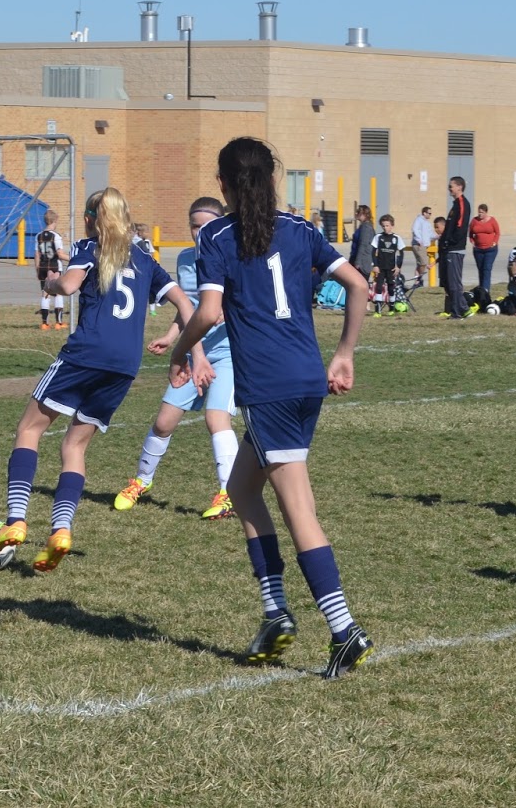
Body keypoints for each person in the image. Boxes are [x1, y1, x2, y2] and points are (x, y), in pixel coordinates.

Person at [168, 136, 375, 679]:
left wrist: (184, 349)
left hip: (270, 387)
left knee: (298, 509)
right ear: (272, 180)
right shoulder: (303, 230)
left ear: (222, 185)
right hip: (305, 379)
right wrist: (345, 354)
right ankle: (274, 611)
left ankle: (343, 628)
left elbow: (209, 312)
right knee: (241, 491)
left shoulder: (216, 235)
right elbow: (359, 285)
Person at [0, 189, 195, 573]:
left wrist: (50, 284)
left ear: (94, 218)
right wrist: (172, 337)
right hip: (125, 366)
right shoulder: (146, 257)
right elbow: (188, 306)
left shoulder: (88, 247)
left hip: (87, 353)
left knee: (28, 429)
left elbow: (70, 286)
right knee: (75, 446)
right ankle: (60, 531)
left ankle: (15, 522)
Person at [114, 197, 237, 520]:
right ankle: (142, 481)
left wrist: (231, 311)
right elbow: (189, 310)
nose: (199, 232)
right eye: (194, 226)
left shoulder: (235, 255)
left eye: (206, 225)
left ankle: (229, 494)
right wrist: (171, 338)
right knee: (164, 421)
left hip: (227, 354)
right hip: (194, 351)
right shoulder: (185, 259)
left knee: (215, 418)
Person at [439, 177, 471, 319]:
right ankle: (463, 309)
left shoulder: (463, 204)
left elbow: (460, 227)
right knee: (448, 282)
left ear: (459, 187)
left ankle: (457, 312)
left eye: (451, 186)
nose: (449, 188)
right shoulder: (455, 205)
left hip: (455, 249)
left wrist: (450, 242)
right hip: (449, 250)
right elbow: (449, 227)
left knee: (454, 282)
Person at [35, 210, 69, 330]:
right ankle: (58, 323)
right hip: (54, 267)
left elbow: (37, 254)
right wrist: (72, 258)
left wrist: (37, 270)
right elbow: (60, 254)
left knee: (45, 293)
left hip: (43, 267)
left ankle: (45, 323)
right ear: (54, 221)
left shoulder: (38, 236)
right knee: (58, 293)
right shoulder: (56, 236)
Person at [371, 213, 407, 315]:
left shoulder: (396, 238)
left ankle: (391, 309)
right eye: (383, 226)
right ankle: (378, 310)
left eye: (387, 225)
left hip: (391, 267)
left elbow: (401, 253)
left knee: (391, 287)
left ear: (392, 226)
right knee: (378, 287)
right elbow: (373, 252)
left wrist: (398, 267)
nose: (385, 228)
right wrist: (375, 265)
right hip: (381, 267)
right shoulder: (378, 237)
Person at [469, 203, 501, 294]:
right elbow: (471, 233)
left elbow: (497, 233)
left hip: (490, 250)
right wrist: (472, 241)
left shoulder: (492, 221)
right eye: (479, 212)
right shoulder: (474, 221)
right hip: (478, 250)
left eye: (482, 212)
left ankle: (486, 290)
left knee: (487, 268)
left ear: (486, 212)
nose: (480, 214)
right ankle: (481, 288)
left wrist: (495, 242)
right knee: (480, 269)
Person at [348, 204, 375, 292]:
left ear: (364, 214)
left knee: (359, 288)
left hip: (362, 262)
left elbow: (363, 245)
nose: (356, 213)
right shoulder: (363, 226)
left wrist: (357, 262)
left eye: (358, 212)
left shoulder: (366, 227)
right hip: (356, 258)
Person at [410, 206, 435, 288]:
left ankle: (417, 281)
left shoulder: (427, 223)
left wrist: (437, 236)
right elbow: (415, 229)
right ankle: (419, 280)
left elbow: (430, 234)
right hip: (419, 245)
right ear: (424, 213)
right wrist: (419, 240)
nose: (430, 215)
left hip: (424, 245)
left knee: (420, 264)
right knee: (423, 263)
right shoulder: (419, 220)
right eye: (429, 213)